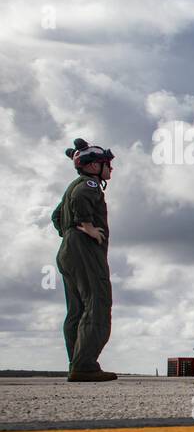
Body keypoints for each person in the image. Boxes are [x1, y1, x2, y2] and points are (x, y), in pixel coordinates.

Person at [51, 139, 117, 382]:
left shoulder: (72, 186)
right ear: (93, 166)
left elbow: (56, 215)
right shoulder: (88, 185)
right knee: (98, 302)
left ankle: (77, 363)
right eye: (106, 164)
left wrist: (69, 232)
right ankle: (86, 365)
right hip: (84, 249)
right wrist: (87, 227)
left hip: (68, 249)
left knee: (77, 310)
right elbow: (80, 199)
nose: (110, 169)